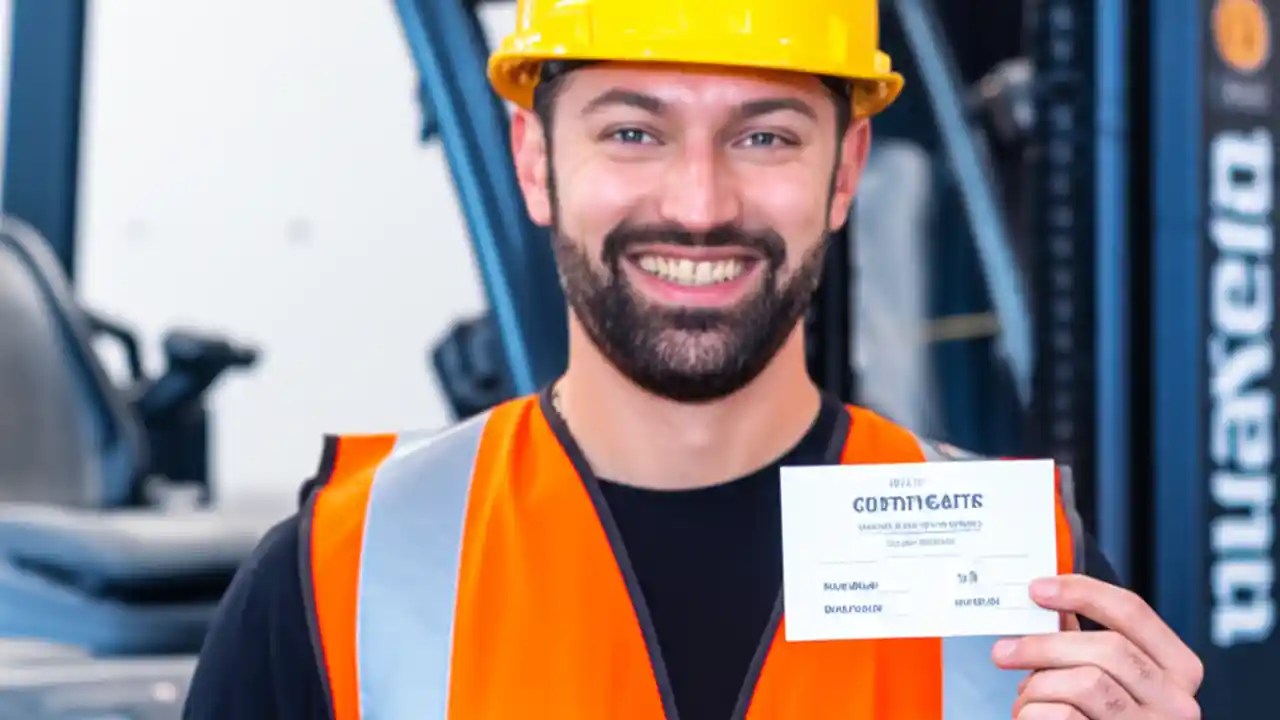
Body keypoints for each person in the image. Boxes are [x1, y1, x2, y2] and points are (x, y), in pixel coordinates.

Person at [183, 1, 1204, 718]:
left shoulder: (1035, 588)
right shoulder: (331, 582)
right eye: (632, 132)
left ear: (843, 171)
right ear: (536, 161)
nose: (699, 204)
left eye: (763, 139)